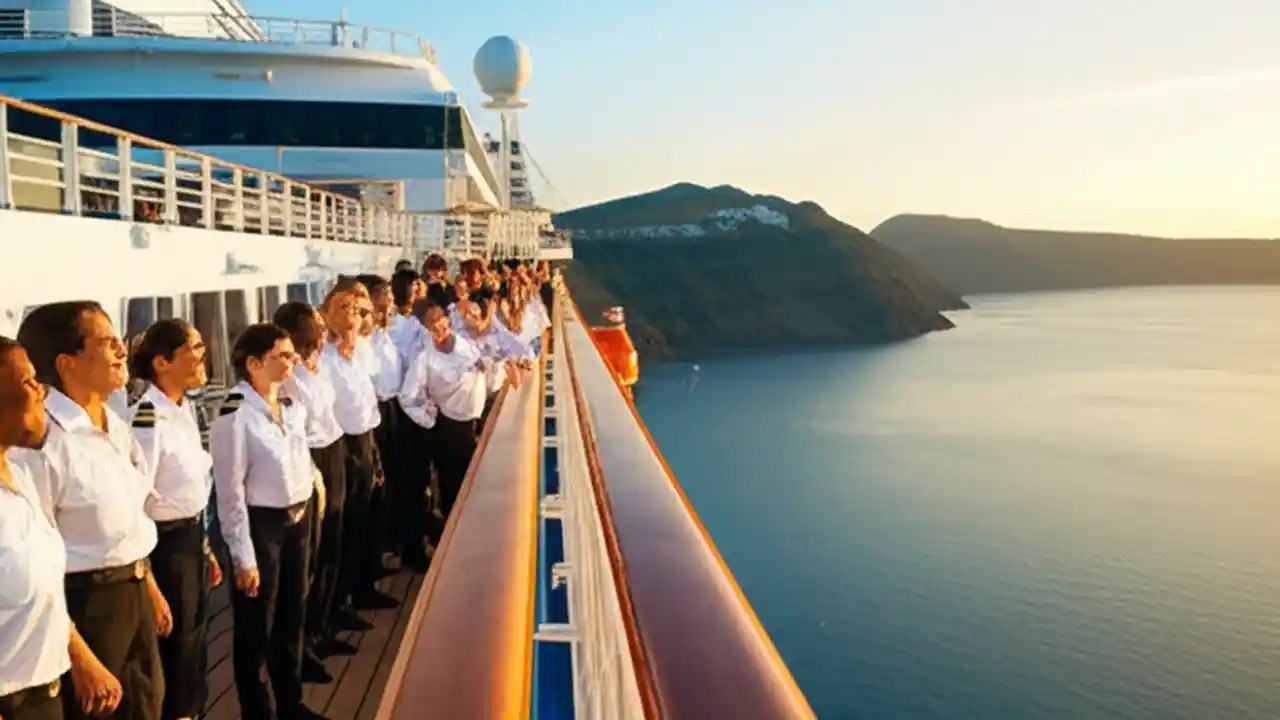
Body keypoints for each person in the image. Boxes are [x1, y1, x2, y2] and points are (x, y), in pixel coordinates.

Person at [14, 302, 167, 720]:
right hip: (86, 606)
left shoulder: (113, 423)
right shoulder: (42, 442)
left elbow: (129, 518)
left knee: (147, 703)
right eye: (107, 342)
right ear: (67, 362)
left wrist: (146, 583)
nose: (122, 350)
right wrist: (78, 657)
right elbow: (38, 561)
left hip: (130, 590)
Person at [210, 324, 323, 720]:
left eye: (292, 355)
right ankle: (256, 712)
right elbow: (230, 491)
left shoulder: (289, 404)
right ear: (254, 364)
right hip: (262, 529)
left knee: (292, 617)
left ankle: (290, 705)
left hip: (297, 521)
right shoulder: (234, 413)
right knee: (256, 627)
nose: (293, 362)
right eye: (283, 356)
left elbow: (308, 442)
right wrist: (244, 557)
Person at [126, 320, 222, 720]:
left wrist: (205, 546)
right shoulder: (146, 420)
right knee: (178, 646)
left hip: (190, 537)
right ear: (162, 362)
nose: (203, 355)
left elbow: (191, 490)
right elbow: (135, 501)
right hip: (163, 547)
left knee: (196, 642)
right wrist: (146, 576)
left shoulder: (181, 408)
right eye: (194, 348)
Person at [274, 302, 355, 662]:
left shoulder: (317, 367)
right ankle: (303, 642)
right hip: (312, 459)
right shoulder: (289, 378)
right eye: (315, 325)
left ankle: (322, 626)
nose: (321, 330)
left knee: (333, 547)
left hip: (333, 449)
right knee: (312, 555)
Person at [319, 279, 391, 621]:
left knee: (367, 518)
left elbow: (377, 381)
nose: (350, 316)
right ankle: (337, 604)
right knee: (343, 527)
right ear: (325, 314)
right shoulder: (323, 358)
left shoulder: (360, 349)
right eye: (342, 308)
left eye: (355, 309)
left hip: (366, 438)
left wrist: (363, 332)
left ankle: (360, 588)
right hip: (341, 445)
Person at [399, 304, 490, 530]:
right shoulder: (425, 358)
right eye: (431, 323)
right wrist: (429, 417)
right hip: (450, 428)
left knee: (478, 482)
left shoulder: (468, 346)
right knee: (454, 486)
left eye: (439, 320)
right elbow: (408, 396)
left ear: (448, 321)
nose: (437, 326)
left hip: (478, 423)